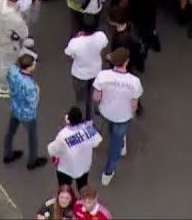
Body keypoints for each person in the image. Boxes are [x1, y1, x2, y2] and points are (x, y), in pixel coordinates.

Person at [92, 47, 142, 186]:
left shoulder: (102, 76)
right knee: (115, 145)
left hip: (106, 111)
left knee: (108, 129)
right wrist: (132, 114)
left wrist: (99, 104)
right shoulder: (134, 81)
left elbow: (96, 97)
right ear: (126, 62)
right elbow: (134, 102)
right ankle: (108, 172)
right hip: (123, 115)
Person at [3, 54, 46, 170]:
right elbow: (33, 104)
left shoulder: (13, 72)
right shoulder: (30, 86)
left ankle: (7, 153)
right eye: (33, 64)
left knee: (10, 131)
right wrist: (38, 92)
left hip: (15, 107)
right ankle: (32, 160)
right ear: (29, 67)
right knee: (32, 137)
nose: (35, 65)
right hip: (27, 115)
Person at [48, 106, 100, 191]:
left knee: (64, 189)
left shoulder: (63, 135)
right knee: (83, 188)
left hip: (66, 168)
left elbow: (52, 150)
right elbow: (96, 143)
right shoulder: (88, 129)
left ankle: (66, 202)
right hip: (83, 166)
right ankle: (83, 202)